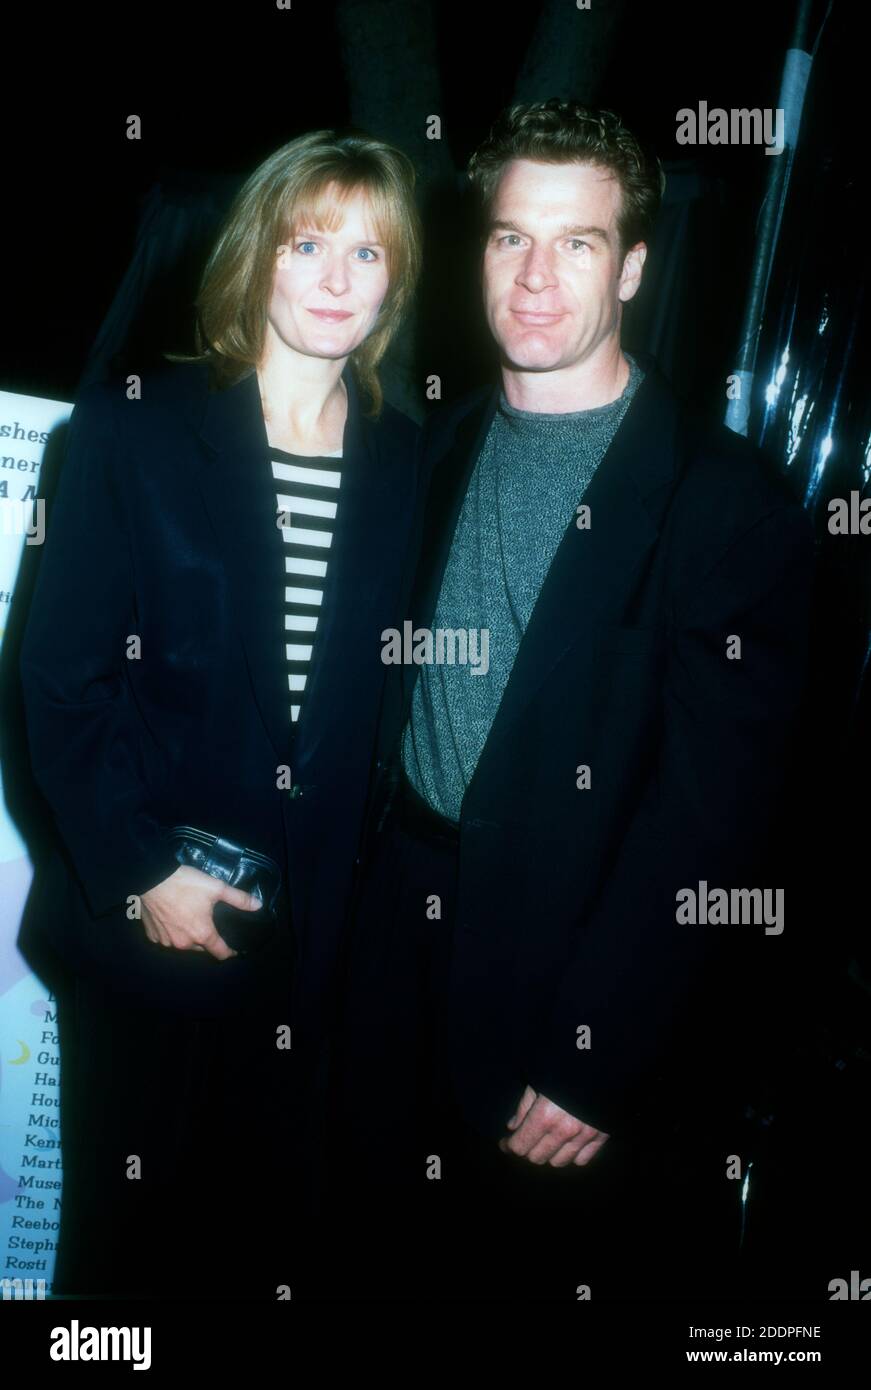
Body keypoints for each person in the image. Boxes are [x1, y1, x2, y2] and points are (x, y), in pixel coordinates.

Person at [328, 100, 815, 1301]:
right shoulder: (428, 451)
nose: (536, 279)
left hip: (570, 988)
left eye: (578, 244)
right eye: (509, 240)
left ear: (634, 266)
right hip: (390, 948)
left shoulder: (724, 502)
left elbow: (717, 818)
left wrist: (606, 1046)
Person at [18, 128, 422, 1299]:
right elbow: (57, 681)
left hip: (310, 958)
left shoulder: (407, 462)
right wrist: (144, 871)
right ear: (259, 254)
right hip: (148, 933)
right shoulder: (132, 431)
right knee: (119, 1268)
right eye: (309, 242)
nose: (338, 278)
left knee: (257, 1256)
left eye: (369, 252)